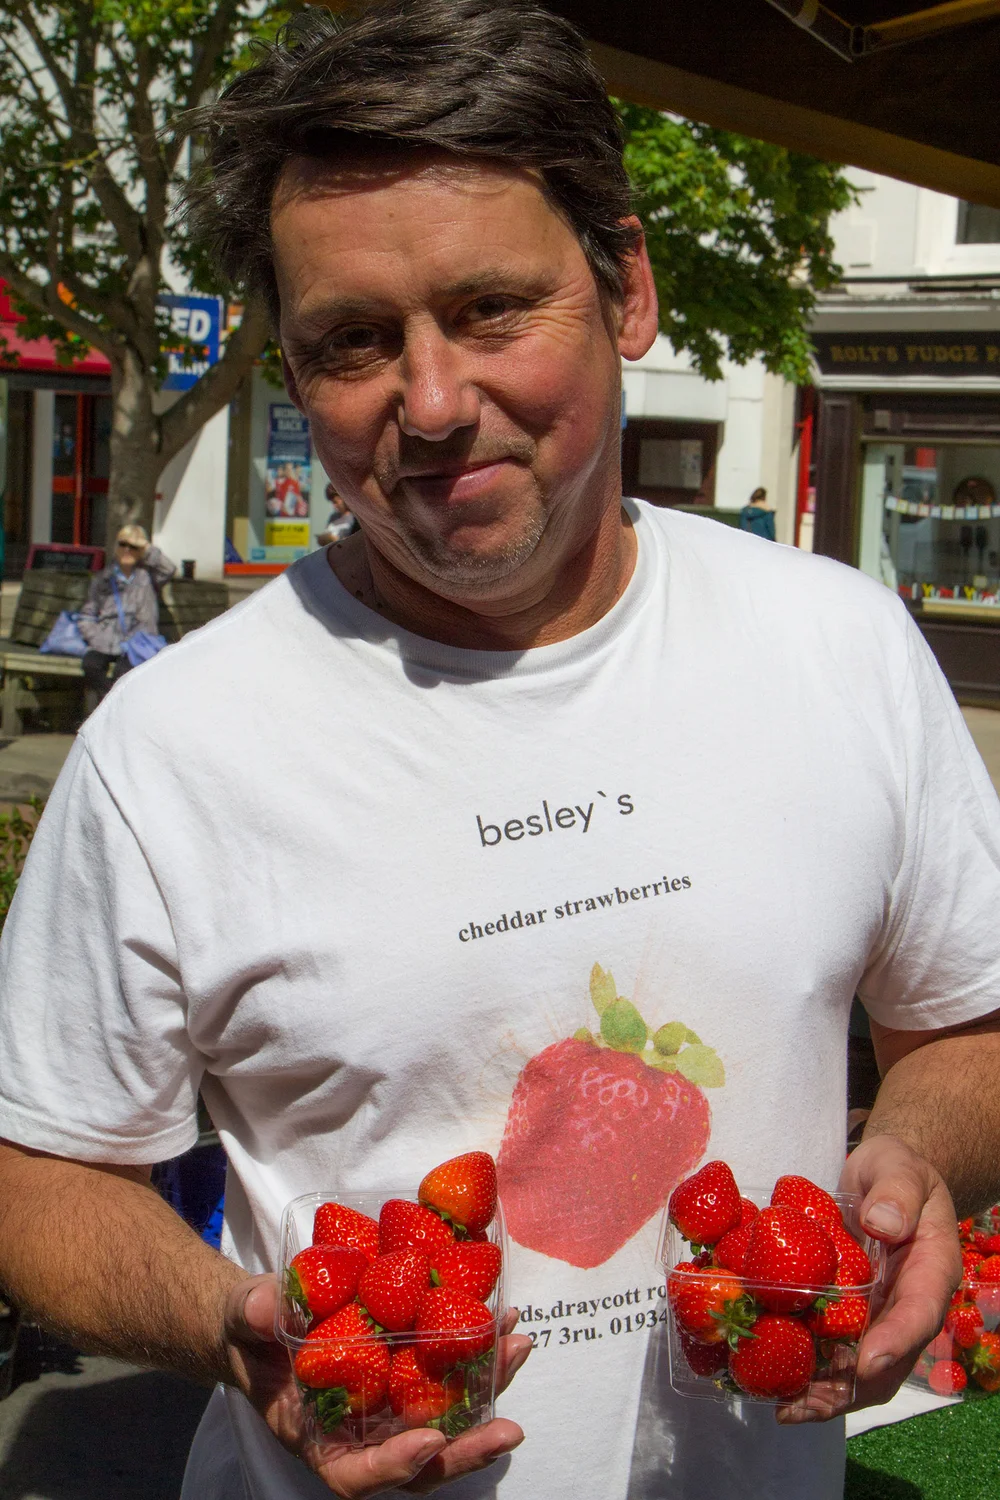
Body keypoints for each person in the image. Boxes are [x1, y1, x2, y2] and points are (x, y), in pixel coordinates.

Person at [0, 4, 999, 1499]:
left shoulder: (840, 646)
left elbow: (964, 1029)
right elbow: (39, 1172)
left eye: (489, 310)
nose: (434, 402)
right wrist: (243, 1329)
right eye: (351, 342)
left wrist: (918, 1161)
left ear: (629, 289)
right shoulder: (173, 747)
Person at [77, 524, 176, 708]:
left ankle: (112, 710)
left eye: (134, 547)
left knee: (123, 673)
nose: (127, 550)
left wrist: (146, 547)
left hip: (138, 641)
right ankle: (111, 706)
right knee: (91, 664)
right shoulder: (103, 579)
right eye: (123, 544)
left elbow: (168, 568)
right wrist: (95, 636)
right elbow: (86, 616)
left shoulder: (148, 577)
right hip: (107, 639)